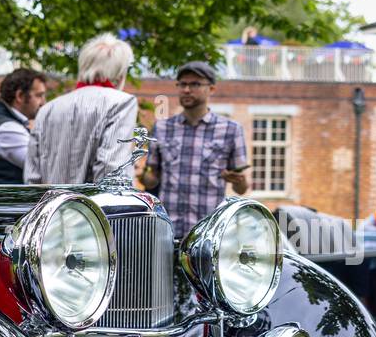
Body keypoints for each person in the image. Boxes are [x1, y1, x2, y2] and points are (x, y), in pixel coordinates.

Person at [140, 61, 249, 239]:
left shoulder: (231, 130)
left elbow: (242, 189)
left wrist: (238, 180)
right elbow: (151, 180)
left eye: (195, 84)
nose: (187, 89)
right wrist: (141, 174)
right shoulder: (161, 128)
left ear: (211, 89)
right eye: (182, 84)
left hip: (209, 234)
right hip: (166, 231)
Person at [24, 33, 139, 185]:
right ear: (119, 74)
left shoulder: (48, 109)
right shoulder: (121, 103)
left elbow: (32, 176)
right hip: (93, 208)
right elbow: (112, 174)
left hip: (50, 206)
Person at [0, 68, 47, 184]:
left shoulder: (8, 124)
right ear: (20, 96)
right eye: (39, 95)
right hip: (12, 202)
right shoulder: (6, 129)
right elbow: (44, 167)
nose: (43, 102)